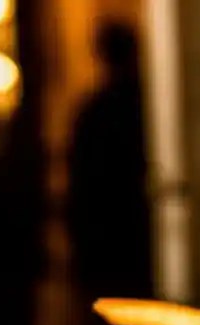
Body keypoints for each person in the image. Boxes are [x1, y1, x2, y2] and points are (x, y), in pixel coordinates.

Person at [66, 22, 152, 308]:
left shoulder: (96, 109)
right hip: (129, 223)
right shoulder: (146, 105)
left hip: (114, 225)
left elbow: (80, 178)